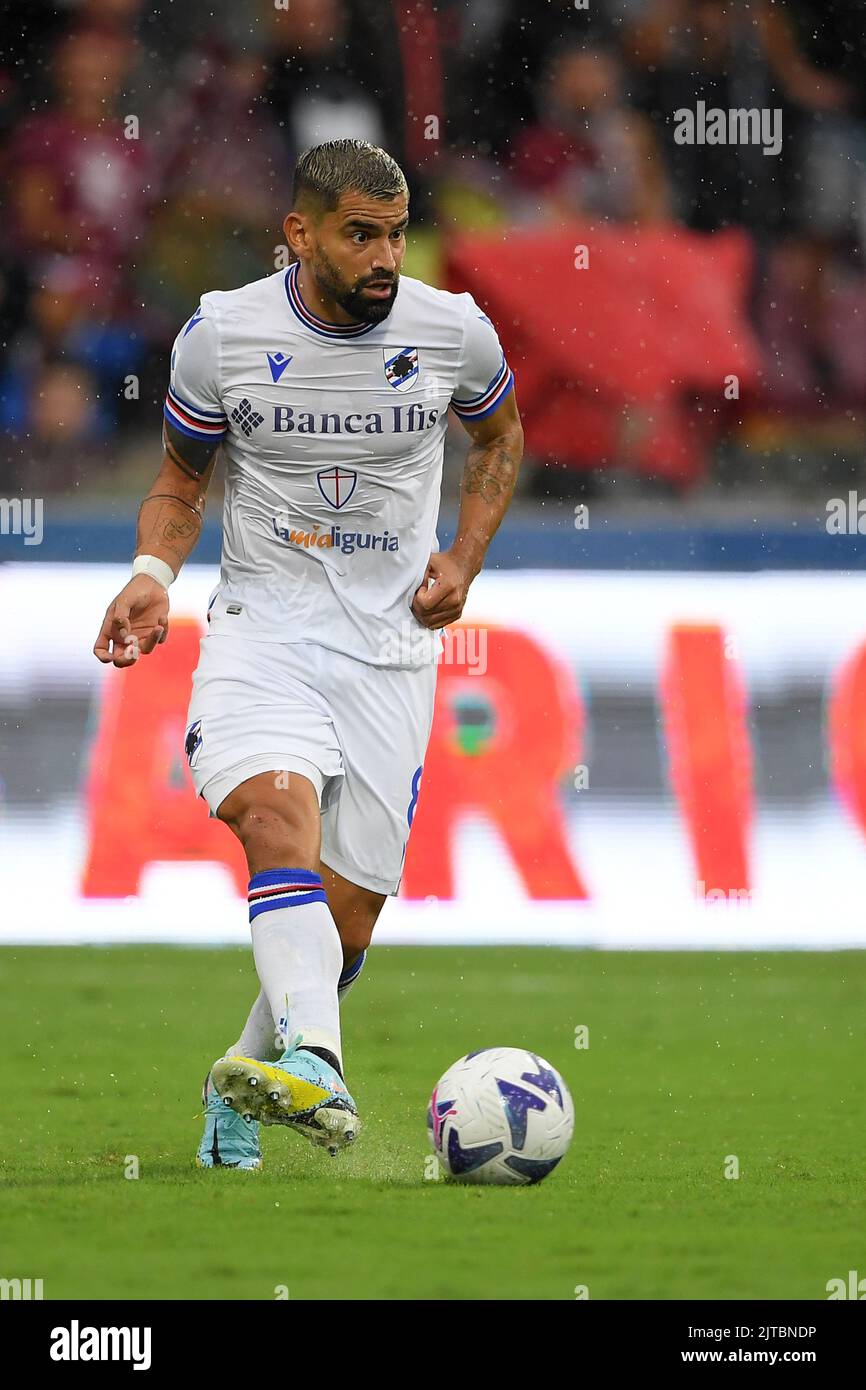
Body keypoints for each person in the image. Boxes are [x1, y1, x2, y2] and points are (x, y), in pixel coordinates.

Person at [92, 139, 524, 1169]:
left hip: (390, 653)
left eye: (395, 233)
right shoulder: (224, 335)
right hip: (263, 632)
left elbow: (499, 437)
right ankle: (318, 1068)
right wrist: (153, 571)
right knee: (273, 813)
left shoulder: (449, 329)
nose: (384, 257)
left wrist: (464, 557)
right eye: (359, 235)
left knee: (347, 922)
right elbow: (180, 480)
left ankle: (239, 1082)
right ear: (300, 233)